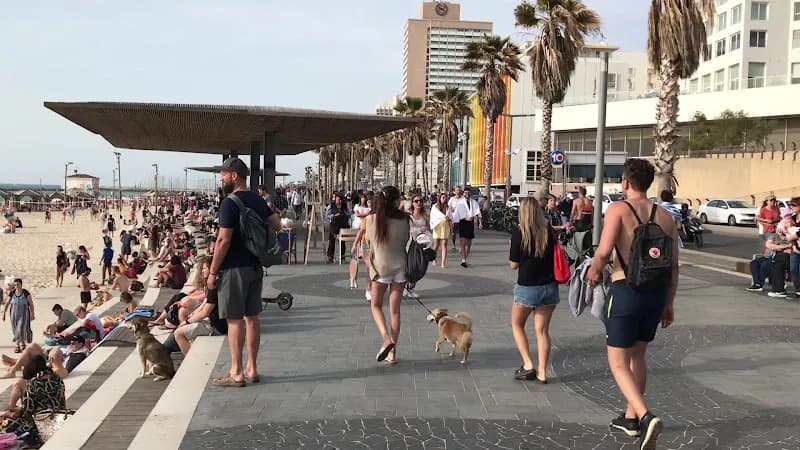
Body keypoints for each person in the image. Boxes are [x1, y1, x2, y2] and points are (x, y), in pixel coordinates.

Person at [586, 159, 679, 447]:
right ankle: (630, 418)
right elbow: (674, 266)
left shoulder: (618, 209)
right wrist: (669, 303)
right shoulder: (665, 217)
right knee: (638, 357)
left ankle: (645, 415)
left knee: (617, 362)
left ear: (626, 182)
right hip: (655, 294)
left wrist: (592, 271)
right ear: (649, 183)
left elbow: (603, 251)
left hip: (625, 290)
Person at [207, 157, 280, 387]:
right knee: (252, 318)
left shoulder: (230, 202)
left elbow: (223, 240)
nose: (221, 179)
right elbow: (277, 224)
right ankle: (252, 368)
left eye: (224, 175)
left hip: (233, 269)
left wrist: (212, 271)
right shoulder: (257, 199)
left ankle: (236, 371)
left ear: (234, 175)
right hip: (255, 266)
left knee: (235, 320)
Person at [509, 198, 558, 383]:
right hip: (549, 287)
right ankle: (543, 373)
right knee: (542, 331)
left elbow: (513, 265)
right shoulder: (548, 231)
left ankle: (528, 364)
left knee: (517, 324)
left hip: (527, 288)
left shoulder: (519, 233)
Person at [365, 186, 410, 365]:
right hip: (400, 266)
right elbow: (406, 240)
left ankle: (386, 338)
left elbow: (369, 244)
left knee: (375, 305)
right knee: (395, 311)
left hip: (381, 268)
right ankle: (393, 353)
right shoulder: (404, 220)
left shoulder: (372, 219)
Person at [0, 354, 66, 443]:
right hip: (59, 417)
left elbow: (27, 412)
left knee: (7, 425)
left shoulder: (33, 385)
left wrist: (11, 414)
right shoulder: (57, 379)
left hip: (41, 422)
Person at [173, 288, 228, 354]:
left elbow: (205, 313)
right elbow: (204, 305)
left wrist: (186, 322)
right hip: (217, 320)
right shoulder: (218, 287)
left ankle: (191, 360)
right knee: (183, 313)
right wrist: (193, 315)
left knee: (178, 333)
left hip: (216, 325)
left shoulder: (214, 289)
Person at [762, 214, 794, 296]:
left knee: (775, 262)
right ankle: (778, 289)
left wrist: (783, 246)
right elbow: (769, 245)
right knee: (772, 262)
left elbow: (791, 246)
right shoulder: (775, 235)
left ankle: (779, 289)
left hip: (790, 255)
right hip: (782, 255)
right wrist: (784, 247)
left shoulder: (792, 234)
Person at [406, 195, 430, 299]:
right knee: (411, 267)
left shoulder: (425, 216)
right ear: (412, 203)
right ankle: (408, 288)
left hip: (423, 244)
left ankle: (411, 287)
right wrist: (419, 230)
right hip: (411, 244)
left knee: (421, 267)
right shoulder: (409, 216)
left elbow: (429, 228)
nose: (418, 203)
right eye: (416, 201)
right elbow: (407, 230)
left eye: (420, 201)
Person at [2, 279, 34, 353]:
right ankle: (22, 344)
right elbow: (7, 303)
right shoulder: (12, 293)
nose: (16, 286)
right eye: (15, 285)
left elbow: (31, 304)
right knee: (15, 328)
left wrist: (32, 314)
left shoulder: (26, 293)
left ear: (21, 285)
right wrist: (4, 314)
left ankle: (17, 344)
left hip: (24, 312)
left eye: (18, 284)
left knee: (21, 328)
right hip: (13, 312)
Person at [455, 187, 482, 268]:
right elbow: (458, 213)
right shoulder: (460, 202)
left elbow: (478, 212)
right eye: (465, 192)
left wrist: (480, 223)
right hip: (463, 223)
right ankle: (463, 260)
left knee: (468, 244)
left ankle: (464, 257)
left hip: (470, 224)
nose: (467, 194)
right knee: (463, 242)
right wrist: (465, 218)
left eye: (468, 193)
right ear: (463, 193)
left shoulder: (474, 202)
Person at [349, 194, 371, 289]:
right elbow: (357, 214)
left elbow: (363, 215)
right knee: (356, 258)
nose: (363, 200)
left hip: (367, 235)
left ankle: (368, 287)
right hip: (358, 228)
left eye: (364, 198)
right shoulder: (357, 206)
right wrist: (366, 215)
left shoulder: (369, 208)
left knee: (367, 262)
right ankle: (353, 278)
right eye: (362, 198)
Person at [325, 193, 350, 264]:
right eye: (338, 199)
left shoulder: (344, 206)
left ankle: (342, 256)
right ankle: (330, 256)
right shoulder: (331, 206)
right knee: (331, 241)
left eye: (341, 200)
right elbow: (327, 216)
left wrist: (345, 214)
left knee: (342, 242)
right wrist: (334, 215)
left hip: (343, 225)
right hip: (334, 225)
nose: (340, 201)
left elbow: (349, 214)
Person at [430, 193, 451, 269]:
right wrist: (443, 217)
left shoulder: (448, 207)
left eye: (445, 197)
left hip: (445, 227)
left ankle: (443, 262)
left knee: (444, 244)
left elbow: (451, 217)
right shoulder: (435, 206)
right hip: (437, 226)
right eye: (443, 197)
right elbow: (433, 216)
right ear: (439, 198)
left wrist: (449, 220)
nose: (444, 199)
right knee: (436, 245)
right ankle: (434, 258)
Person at [448, 187, 464, 251]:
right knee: (453, 233)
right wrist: (452, 209)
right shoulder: (452, 199)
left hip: (462, 218)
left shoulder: (463, 199)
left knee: (462, 233)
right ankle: (453, 244)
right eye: (457, 190)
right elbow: (448, 207)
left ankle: (461, 246)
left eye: (459, 190)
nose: (458, 191)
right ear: (454, 192)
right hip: (454, 218)